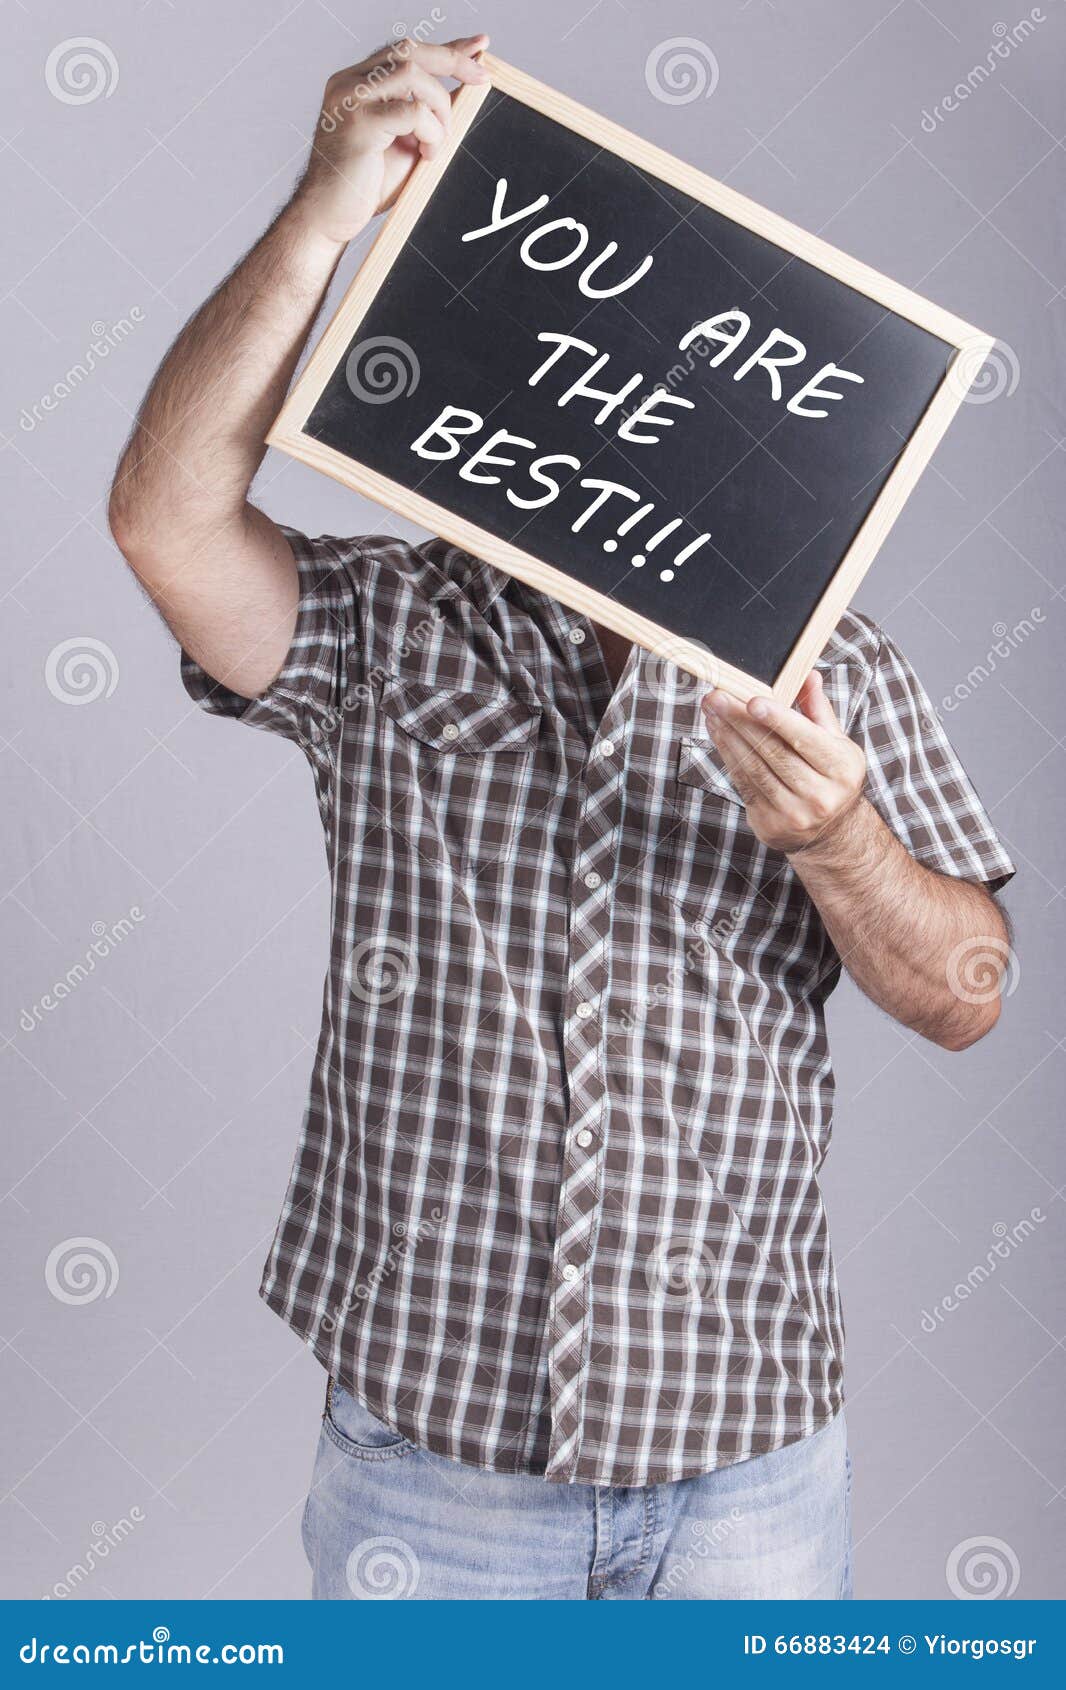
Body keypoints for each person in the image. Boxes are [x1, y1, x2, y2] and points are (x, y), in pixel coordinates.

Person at [108, 35, 1014, 1601]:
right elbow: (165, 515)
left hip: (746, 1465)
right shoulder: (386, 625)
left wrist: (838, 841)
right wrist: (323, 220)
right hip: (432, 1462)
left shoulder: (835, 670)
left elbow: (964, 995)